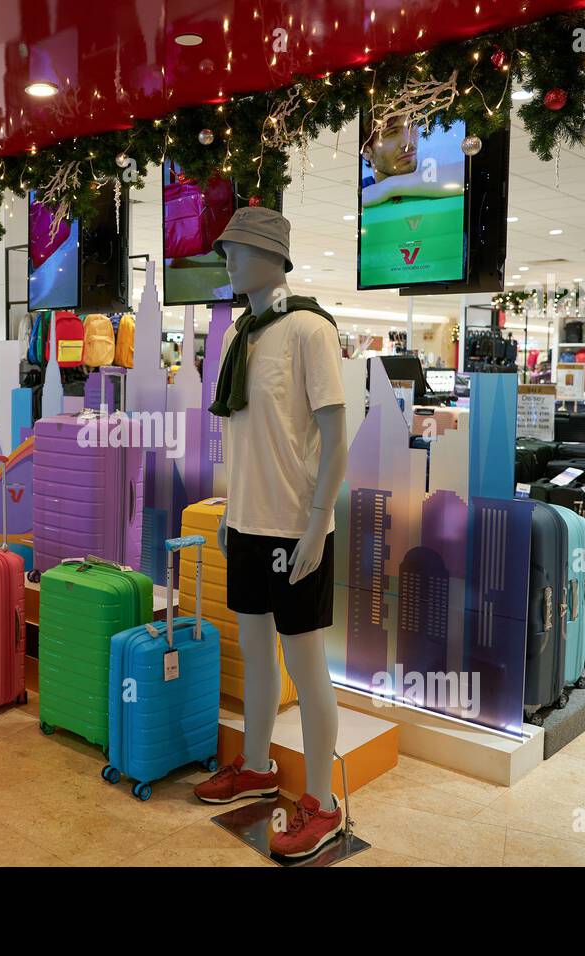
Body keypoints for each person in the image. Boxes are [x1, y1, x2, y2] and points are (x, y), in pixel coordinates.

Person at [192, 206, 350, 860]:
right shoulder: (243, 335)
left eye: (237, 249)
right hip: (250, 525)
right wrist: (231, 508)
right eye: (225, 249)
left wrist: (316, 527)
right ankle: (256, 766)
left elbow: (337, 438)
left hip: (296, 530)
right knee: (257, 653)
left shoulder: (310, 331)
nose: (227, 260)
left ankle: (323, 802)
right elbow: (249, 432)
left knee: (307, 668)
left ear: (271, 256)